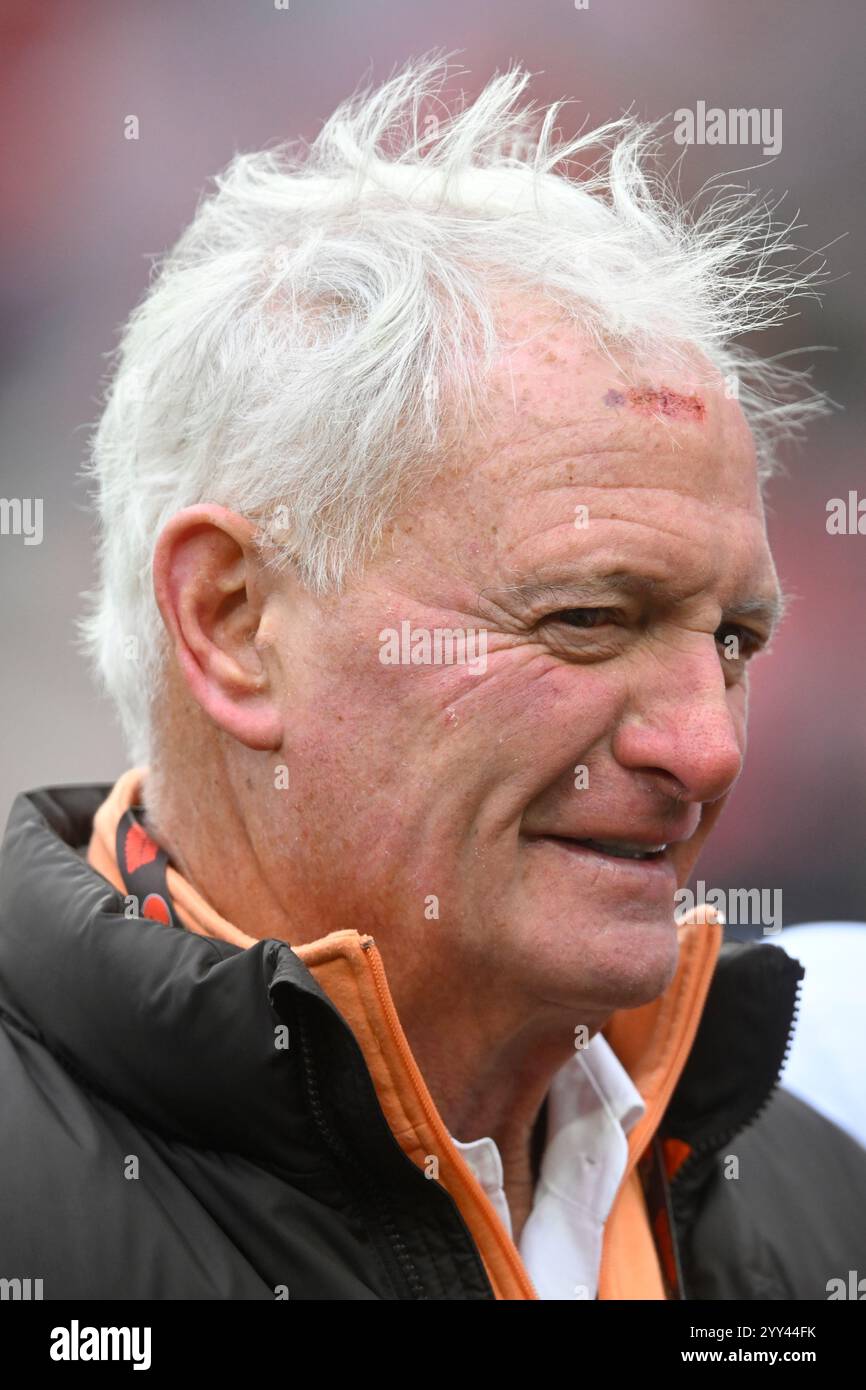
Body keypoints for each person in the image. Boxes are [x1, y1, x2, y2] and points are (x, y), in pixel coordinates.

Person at [1, 56, 863, 1301]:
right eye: (584, 618)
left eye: (732, 639)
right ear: (232, 620)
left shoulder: (820, 1198)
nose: (706, 747)